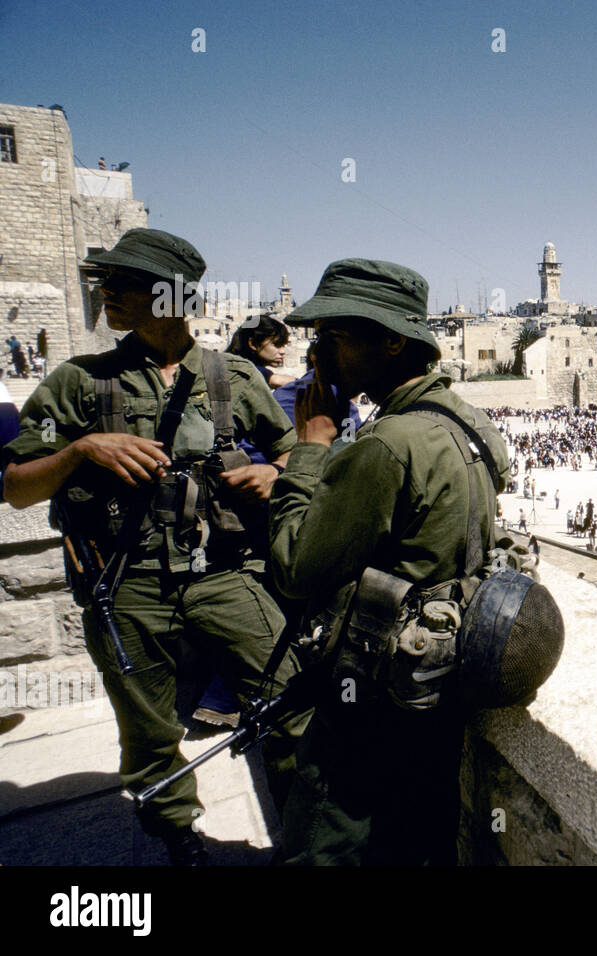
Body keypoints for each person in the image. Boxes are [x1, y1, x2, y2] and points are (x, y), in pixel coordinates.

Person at [0, 228, 307, 865]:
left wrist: (275, 474)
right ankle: (178, 837)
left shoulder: (231, 377)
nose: (106, 293)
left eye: (125, 284)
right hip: (129, 582)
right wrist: (83, 449)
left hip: (223, 574)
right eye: (105, 282)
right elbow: (17, 488)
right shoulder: (80, 381)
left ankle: (304, 836)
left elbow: (292, 455)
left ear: (171, 297)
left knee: (289, 701)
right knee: (150, 731)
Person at [269, 257, 510, 865]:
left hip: (369, 701)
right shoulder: (469, 421)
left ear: (393, 342)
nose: (317, 354)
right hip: (432, 692)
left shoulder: (387, 444)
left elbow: (296, 569)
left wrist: (309, 451)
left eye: (333, 338)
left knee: (324, 842)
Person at [227, 312, 293, 389]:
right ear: (254, 344)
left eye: (283, 345)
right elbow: (276, 380)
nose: (282, 351)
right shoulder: (239, 371)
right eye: (276, 345)